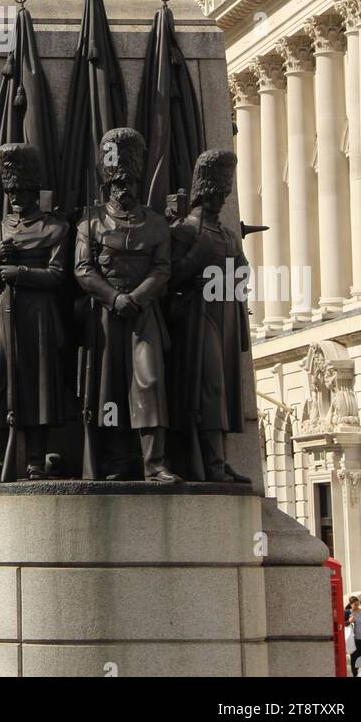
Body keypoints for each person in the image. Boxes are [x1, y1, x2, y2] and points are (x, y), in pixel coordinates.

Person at [75, 127, 180, 483]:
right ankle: (118, 462)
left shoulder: (156, 224)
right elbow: (83, 270)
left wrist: (137, 297)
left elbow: (163, 268)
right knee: (111, 388)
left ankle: (155, 463)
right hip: (105, 314)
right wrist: (114, 297)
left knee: (149, 381)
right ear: (108, 186)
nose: (125, 191)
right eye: (118, 185)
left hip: (143, 311)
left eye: (129, 184)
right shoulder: (89, 225)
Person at [0, 144, 69, 484]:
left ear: (32, 190)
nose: (15, 198)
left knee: (36, 385)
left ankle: (34, 461)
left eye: (21, 192)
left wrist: (23, 275)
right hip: (3, 311)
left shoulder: (54, 229)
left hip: (38, 314)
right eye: (10, 192)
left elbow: (59, 275)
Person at [167, 150, 251, 483]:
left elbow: (243, 275)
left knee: (227, 390)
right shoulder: (184, 231)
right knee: (209, 388)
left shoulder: (230, 235)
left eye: (223, 195)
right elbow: (170, 277)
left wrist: (234, 277)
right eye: (214, 194)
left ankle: (221, 457)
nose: (219, 201)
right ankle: (209, 463)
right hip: (197, 318)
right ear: (203, 192)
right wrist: (198, 259)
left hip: (226, 316)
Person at [345, 596, 361, 676]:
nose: (356, 606)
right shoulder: (347, 612)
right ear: (351, 604)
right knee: (354, 657)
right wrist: (349, 621)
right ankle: (355, 674)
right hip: (353, 639)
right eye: (355, 605)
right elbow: (342, 624)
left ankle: (360, 672)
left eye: (358, 604)